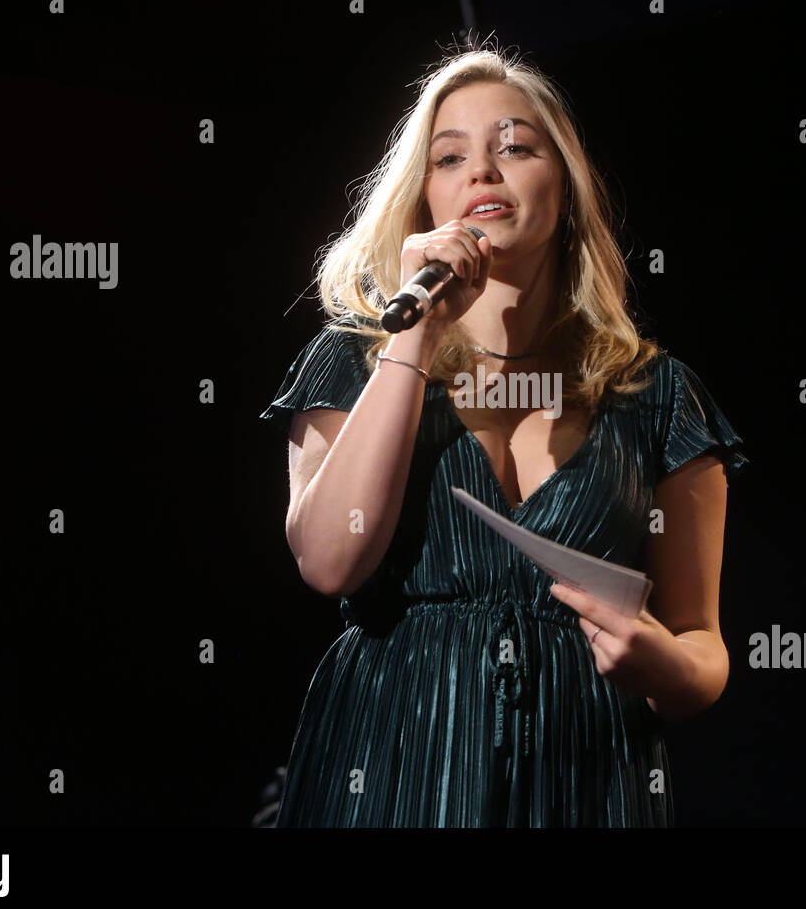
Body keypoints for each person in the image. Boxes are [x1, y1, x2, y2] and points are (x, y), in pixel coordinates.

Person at [259, 46, 748, 826]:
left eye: (515, 147)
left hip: (584, 776)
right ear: (424, 200)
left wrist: (661, 660)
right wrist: (414, 340)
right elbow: (329, 561)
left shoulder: (656, 396)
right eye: (449, 157)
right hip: (396, 766)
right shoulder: (356, 361)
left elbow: (703, 648)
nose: (482, 172)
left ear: (568, 188)